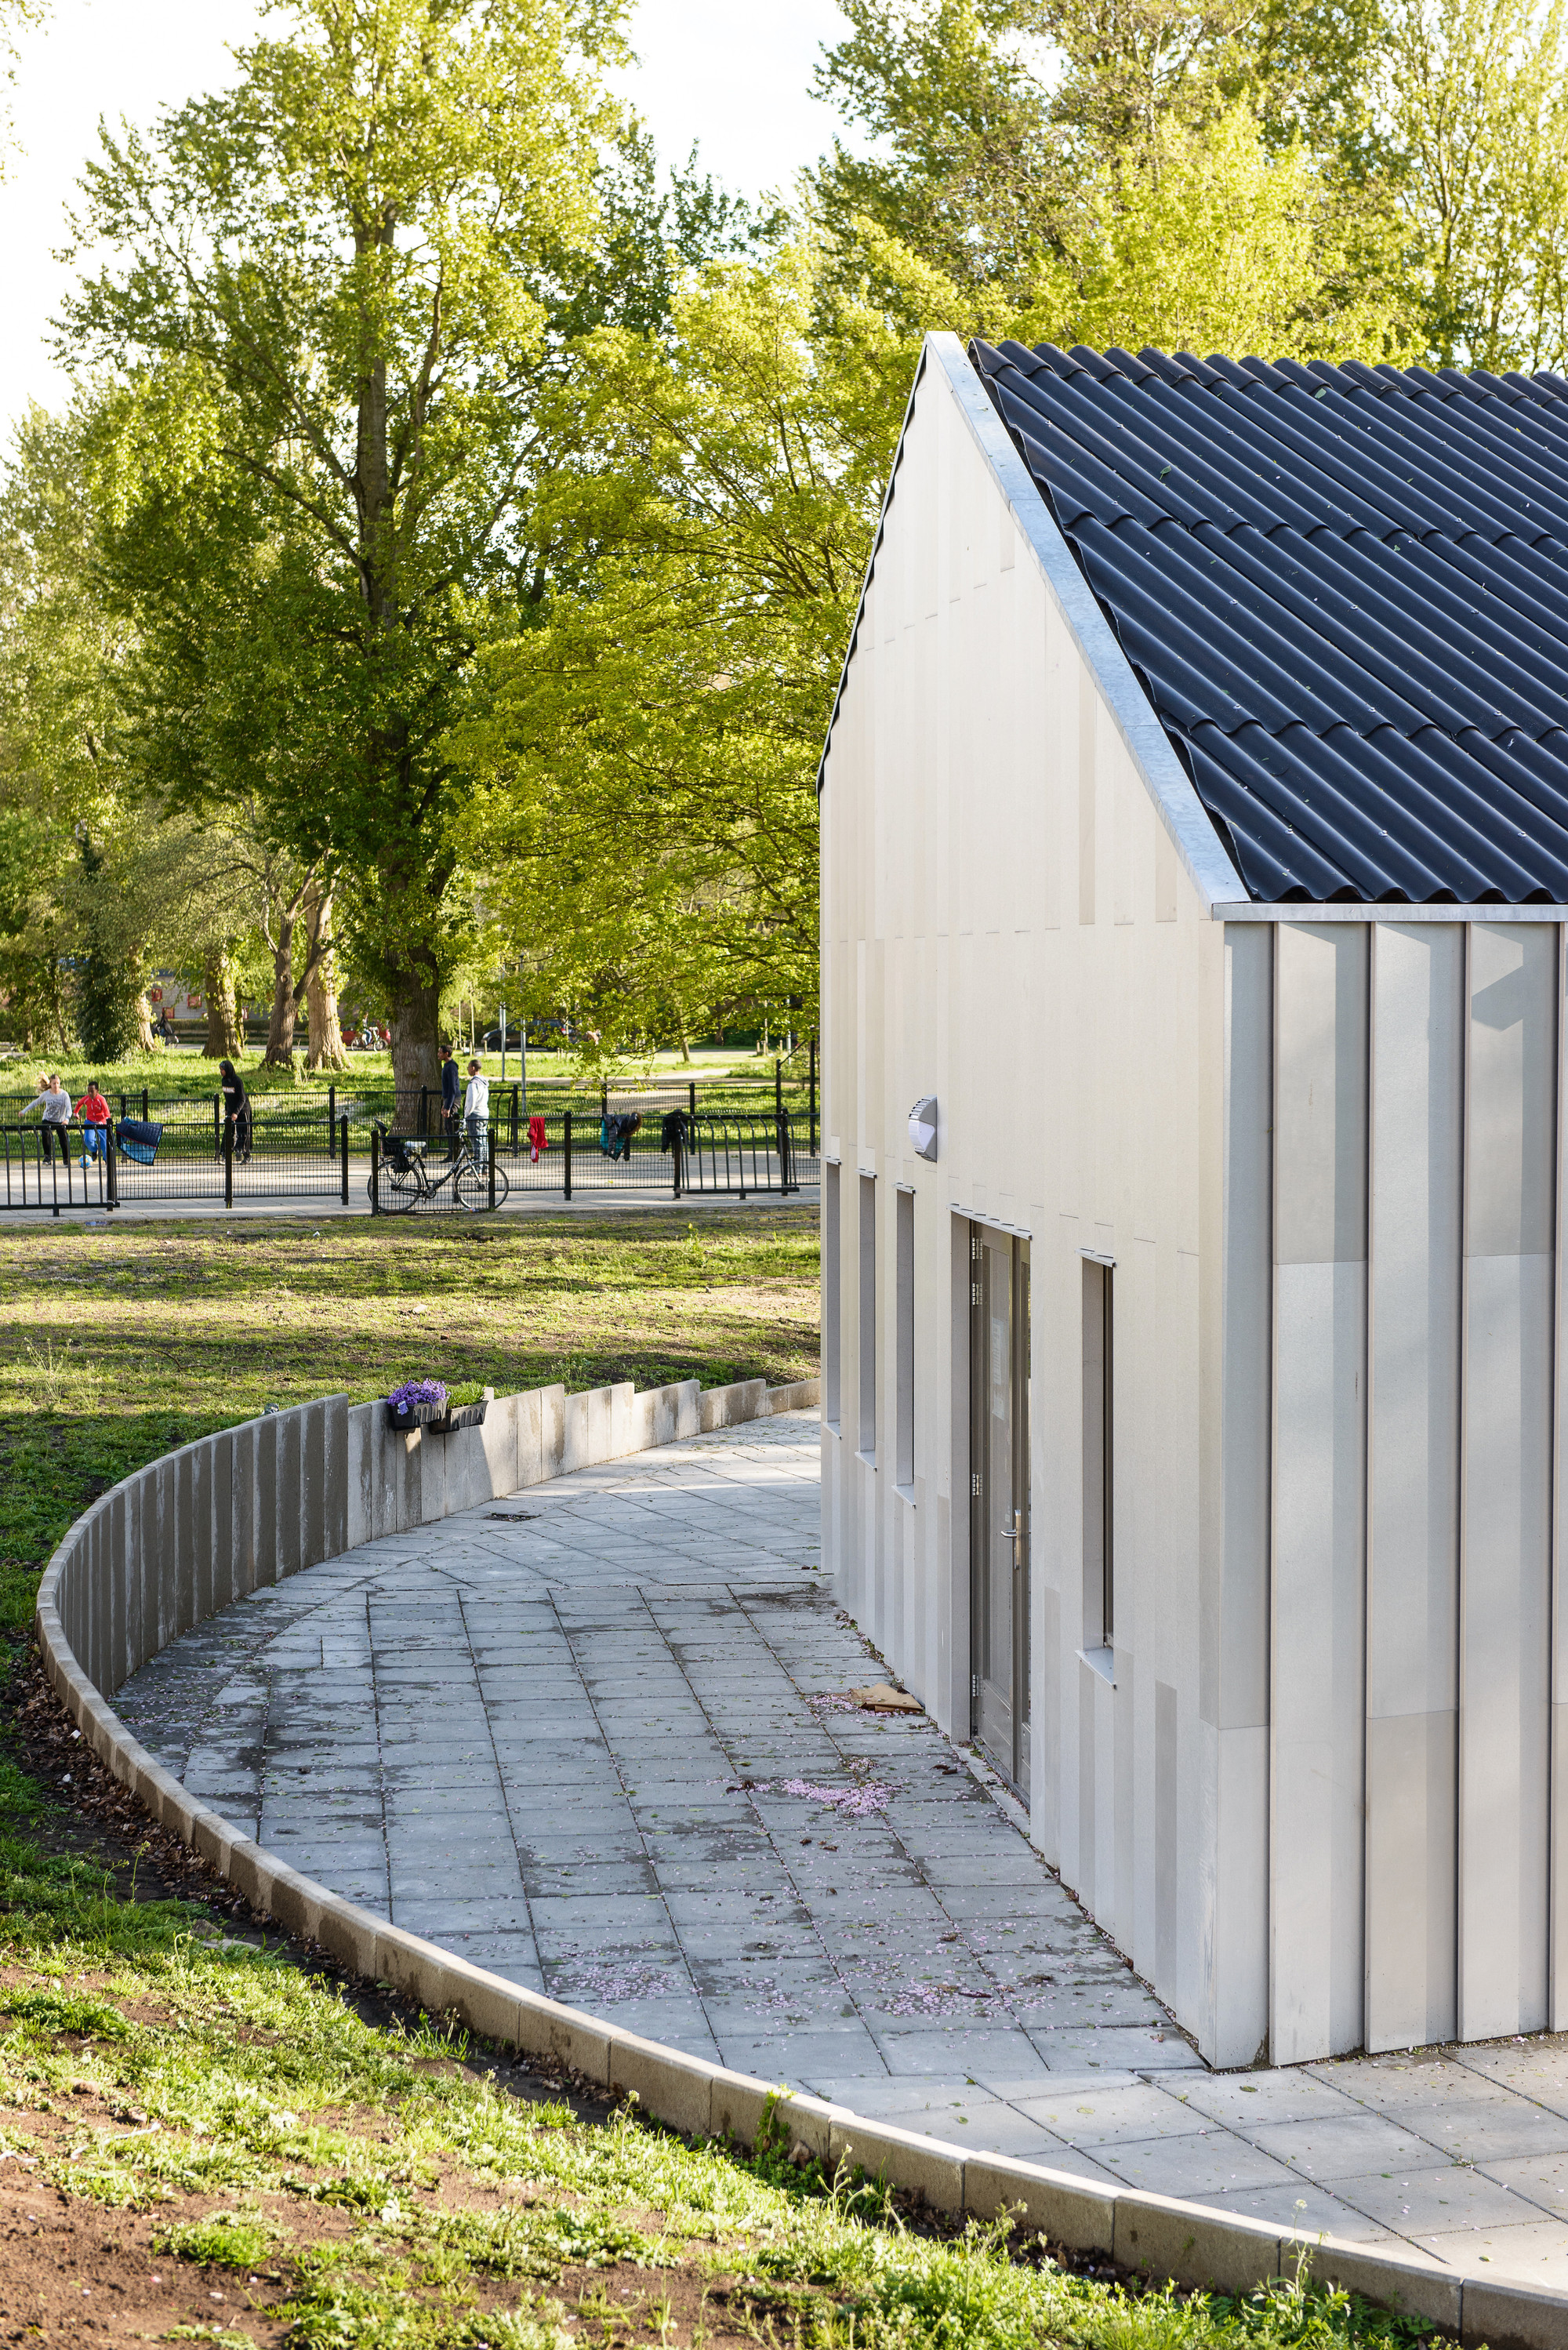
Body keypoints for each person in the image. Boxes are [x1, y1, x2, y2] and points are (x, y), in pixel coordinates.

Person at [20, 1073, 71, 1163]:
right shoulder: (46, 1094)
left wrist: (67, 1119)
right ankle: (47, 1157)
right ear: (50, 1084)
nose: (56, 1086)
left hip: (60, 1120)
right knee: (45, 1134)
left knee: (63, 1137)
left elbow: (69, 1109)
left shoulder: (64, 1094)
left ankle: (66, 1159)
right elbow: (35, 1103)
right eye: (54, 1083)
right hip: (47, 1119)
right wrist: (23, 1111)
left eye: (58, 1083)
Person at [218, 1059, 252, 1163]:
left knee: (244, 1133)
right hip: (232, 1110)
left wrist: (236, 1112)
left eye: (222, 1070)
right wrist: (227, 1110)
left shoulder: (237, 1081)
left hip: (242, 1110)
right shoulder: (224, 1081)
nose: (221, 1072)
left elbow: (242, 1099)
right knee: (228, 1133)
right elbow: (227, 1098)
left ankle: (246, 1155)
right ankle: (225, 1154)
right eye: (220, 1070)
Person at [73, 1077, 111, 1168]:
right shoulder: (86, 1099)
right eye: (88, 1091)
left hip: (101, 1122)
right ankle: (94, 1150)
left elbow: (107, 1113)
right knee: (88, 1140)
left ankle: (106, 1160)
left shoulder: (101, 1100)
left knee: (104, 1142)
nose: (90, 1093)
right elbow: (79, 1103)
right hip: (90, 1121)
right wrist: (76, 1113)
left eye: (92, 1091)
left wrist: (104, 1122)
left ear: (97, 1091)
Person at [463, 1056, 489, 1168]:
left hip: (475, 1115)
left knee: (476, 1143)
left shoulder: (473, 1084)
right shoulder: (484, 1083)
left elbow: (471, 1102)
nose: (468, 1069)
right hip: (484, 1113)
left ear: (473, 1068)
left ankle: (478, 1167)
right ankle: (486, 1166)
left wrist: (466, 1115)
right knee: (483, 1141)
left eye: (468, 1067)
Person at [440, 1041, 461, 1160]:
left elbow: (453, 1089)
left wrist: (448, 1107)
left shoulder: (451, 1067)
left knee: (451, 1126)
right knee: (448, 1127)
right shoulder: (446, 1066)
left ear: (446, 1054)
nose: (438, 1054)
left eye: (440, 1052)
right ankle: (451, 1152)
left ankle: (455, 1153)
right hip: (449, 1099)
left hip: (454, 1099)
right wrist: (445, 1104)